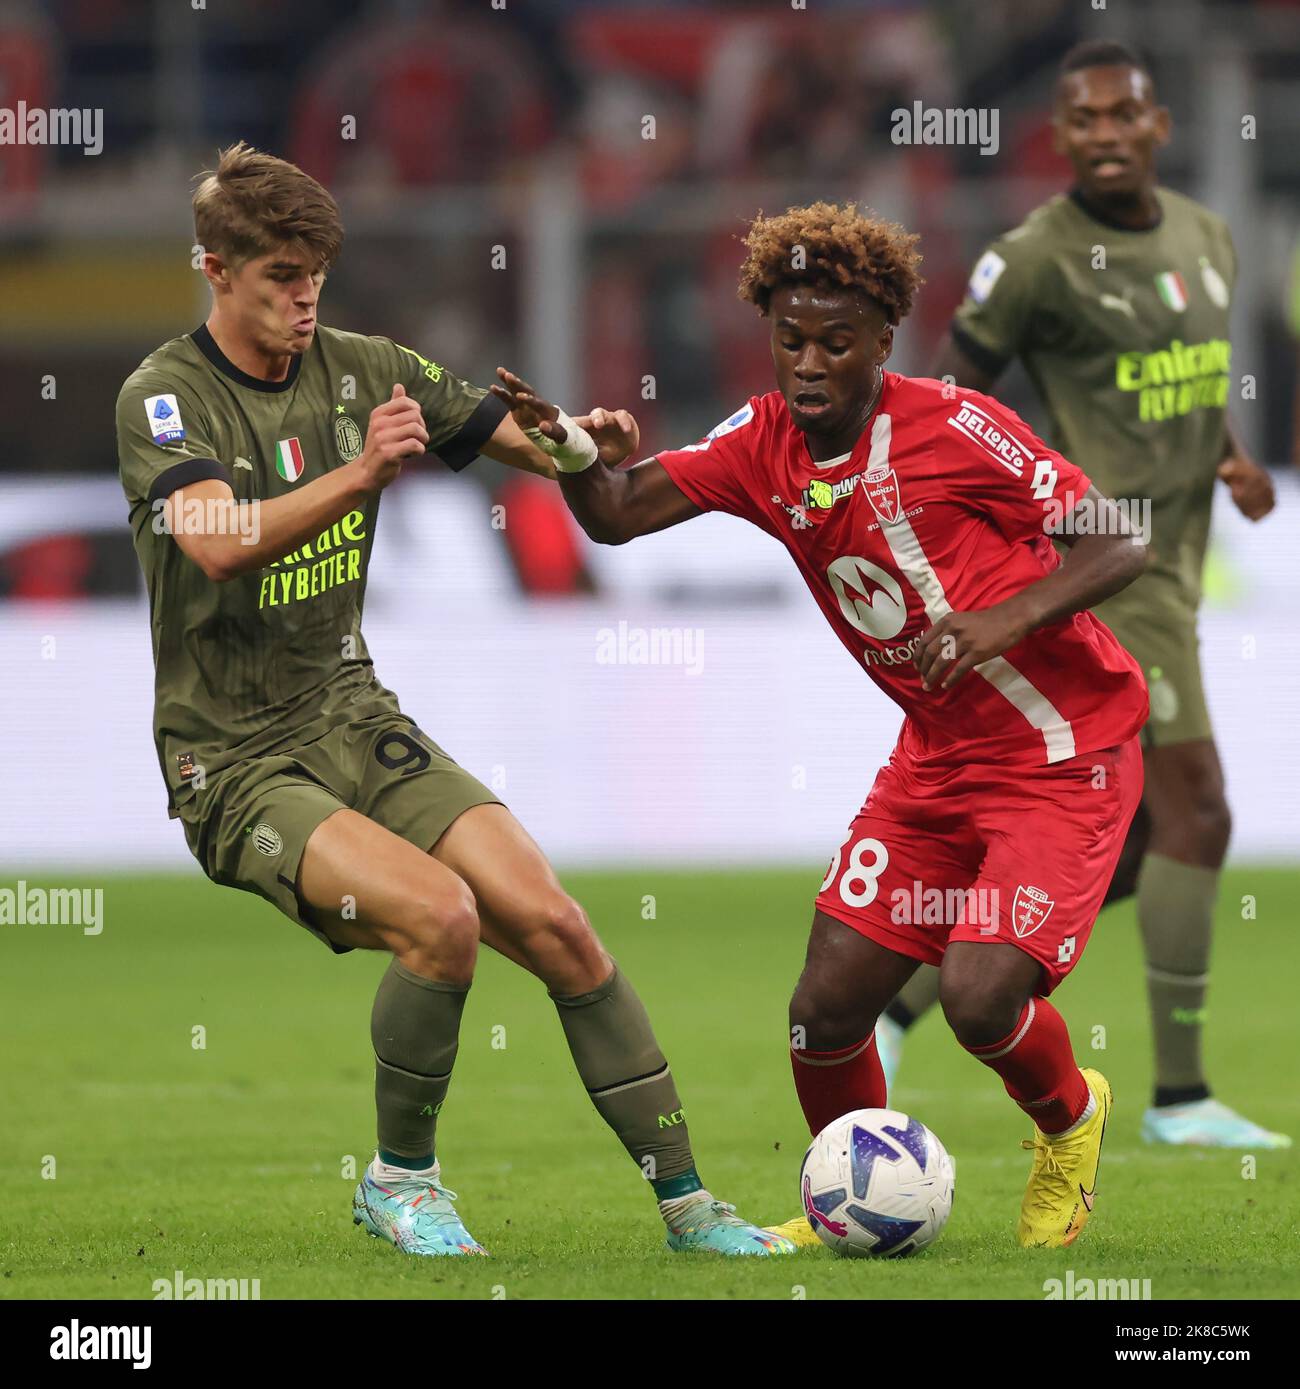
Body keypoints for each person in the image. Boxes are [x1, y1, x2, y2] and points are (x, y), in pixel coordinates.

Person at [114, 142, 790, 1259]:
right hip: (231, 760)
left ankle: (690, 1206)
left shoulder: (366, 366)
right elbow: (216, 541)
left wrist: (584, 447)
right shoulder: (164, 397)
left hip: (350, 713)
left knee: (558, 928)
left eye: (316, 271)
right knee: (440, 921)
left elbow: (514, 437)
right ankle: (399, 1183)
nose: (304, 295)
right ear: (215, 269)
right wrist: (357, 479)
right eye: (281, 275)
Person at [492, 199, 1150, 1248]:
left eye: (835, 343)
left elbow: (1120, 542)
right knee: (824, 1009)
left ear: (882, 341)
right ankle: (849, 1203)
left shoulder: (957, 424)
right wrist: (570, 453)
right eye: (790, 340)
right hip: (935, 761)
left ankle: (1070, 1125)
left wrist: (1005, 618)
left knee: (980, 1001)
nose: (808, 364)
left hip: (1061, 754)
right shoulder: (759, 443)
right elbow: (616, 514)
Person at [881, 39, 1287, 1151]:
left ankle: (905, 1006)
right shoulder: (1035, 260)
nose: (1105, 134)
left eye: (1124, 115)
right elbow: (944, 397)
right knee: (1197, 809)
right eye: (1083, 119)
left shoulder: (1207, 237)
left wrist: (1232, 459)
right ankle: (1178, 1098)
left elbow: (1189, 380)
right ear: (1058, 137)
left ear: (1158, 127)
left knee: (1143, 825)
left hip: (1180, 562)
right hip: (1108, 568)